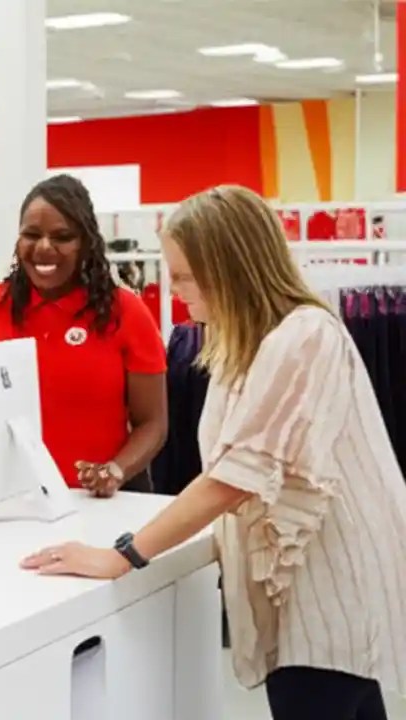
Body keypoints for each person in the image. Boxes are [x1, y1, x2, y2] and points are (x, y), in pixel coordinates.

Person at [22, 185, 406, 720]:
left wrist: (122, 555)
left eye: (182, 275)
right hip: (308, 585)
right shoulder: (239, 344)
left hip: (331, 585)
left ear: (227, 267)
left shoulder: (304, 337)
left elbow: (234, 475)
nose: (175, 291)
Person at [0, 174, 167, 495]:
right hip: (10, 501)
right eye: (31, 234)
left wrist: (114, 471)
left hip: (101, 504)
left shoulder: (126, 312)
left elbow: (153, 423)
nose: (44, 247)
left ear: (85, 242)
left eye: (62, 236)